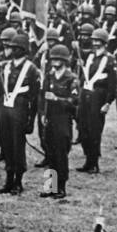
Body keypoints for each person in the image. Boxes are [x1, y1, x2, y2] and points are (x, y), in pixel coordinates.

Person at [0, 30, 40, 195]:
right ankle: (8, 180)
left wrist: (31, 120)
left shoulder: (31, 69)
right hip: (5, 111)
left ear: (24, 50)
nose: (13, 50)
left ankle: (18, 182)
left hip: (20, 111)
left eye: (17, 48)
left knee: (17, 147)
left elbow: (35, 97)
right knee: (7, 146)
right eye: (12, 47)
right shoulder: (5, 67)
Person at [75, 26, 117, 173]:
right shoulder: (90, 56)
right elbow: (83, 77)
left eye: (98, 40)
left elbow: (113, 85)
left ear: (104, 42)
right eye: (94, 40)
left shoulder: (110, 59)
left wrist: (107, 103)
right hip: (85, 96)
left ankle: (94, 163)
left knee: (94, 130)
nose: (95, 43)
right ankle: (87, 160)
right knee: (83, 128)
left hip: (98, 97)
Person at [40, 44, 78, 198]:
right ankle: (50, 185)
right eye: (53, 58)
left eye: (58, 59)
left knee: (61, 153)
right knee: (50, 153)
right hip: (50, 118)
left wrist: (57, 99)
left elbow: (74, 101)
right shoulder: (49, 76)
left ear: (64, 60)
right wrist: (43, 113)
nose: (54, 61)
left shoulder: (71, 78)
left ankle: (61, 186)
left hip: (63, 119)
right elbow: (42, 96)